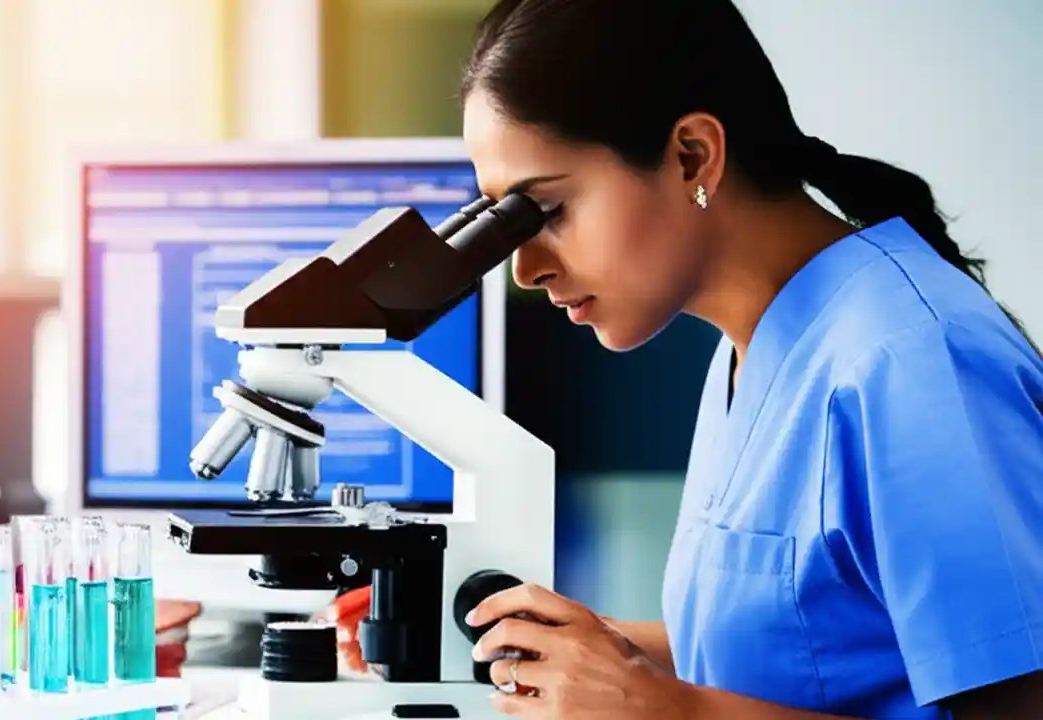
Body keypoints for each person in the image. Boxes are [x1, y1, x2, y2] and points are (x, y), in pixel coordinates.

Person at [341, 1, 1043, 718]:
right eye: (499, 219)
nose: (524, 268)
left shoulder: (910, 364)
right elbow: (808, 644)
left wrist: (674, 713)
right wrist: (560, 647)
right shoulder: (756, 346)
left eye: (544, 211)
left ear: (692, 155)